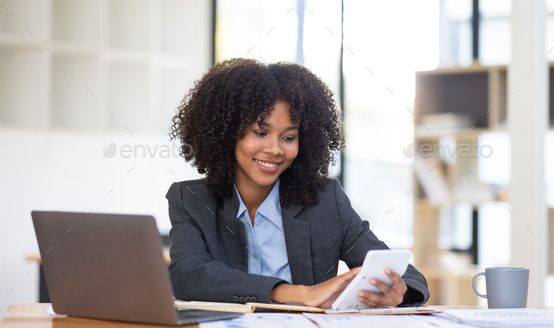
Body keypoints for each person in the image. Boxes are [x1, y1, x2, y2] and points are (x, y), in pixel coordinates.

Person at [166, 58, 429, 308]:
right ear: (227, 133)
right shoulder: (191, 200)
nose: (275, 149)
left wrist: (398, 292)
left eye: (289, 137)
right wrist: (299, 293)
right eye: (260, 133)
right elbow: (188, 276)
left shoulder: (326, 201)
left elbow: (409, 277)